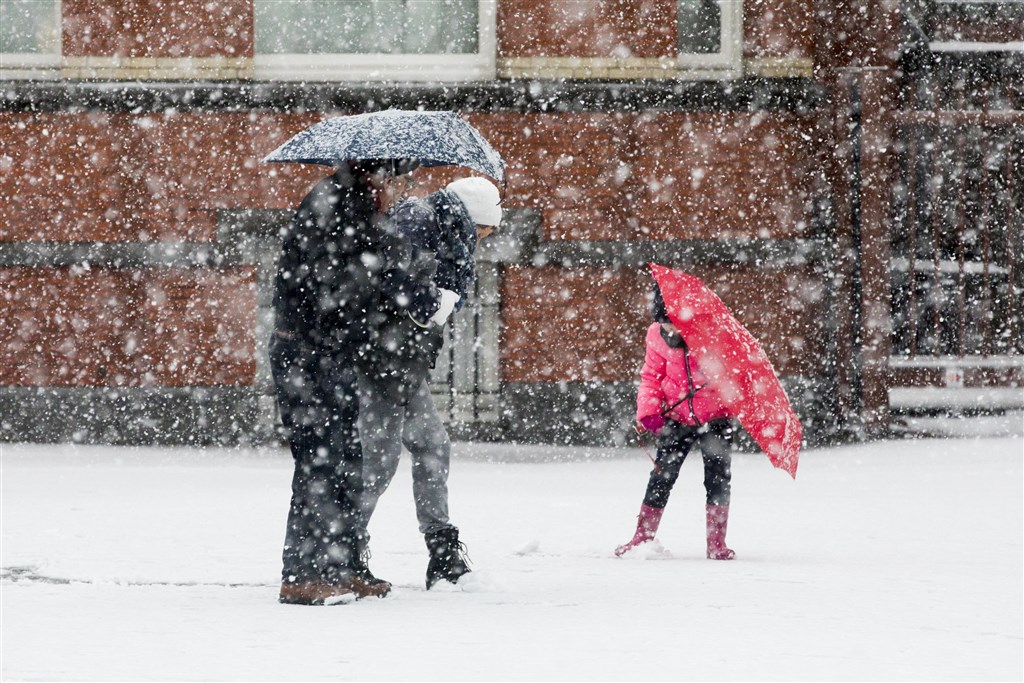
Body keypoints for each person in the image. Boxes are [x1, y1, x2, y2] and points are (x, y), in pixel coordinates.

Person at [271, 158, 451, 605]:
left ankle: (344, 564)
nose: (399, 187)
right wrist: (409, 291)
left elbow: (377, 270)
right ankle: (301, 575)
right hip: (305, 352)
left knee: (350, 459)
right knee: (319, 462)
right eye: (393, 178)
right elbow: (345, 280)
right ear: (372, 175)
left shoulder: (359, 212)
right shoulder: (332, 206)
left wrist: (417, 293)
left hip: (332, 352)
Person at [355, 176, 502, 589]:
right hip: (380, 360)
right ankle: (346, 545)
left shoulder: (443, 232)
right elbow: (390, 281)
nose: (484, 239)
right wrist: (430, 303)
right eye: (484, 230)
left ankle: (441, 550)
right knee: (378, 461)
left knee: (432, 446)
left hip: (403, 362)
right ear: (471, 220)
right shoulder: (418, 224)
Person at [615, 280, 739, 560]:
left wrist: (713, 379)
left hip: (715, 418)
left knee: (718, 479)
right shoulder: (655, 335)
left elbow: (733, 372)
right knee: (661, 477)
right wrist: (648, 411)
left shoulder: (713, 334)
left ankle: (716, 543)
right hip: (676, 415)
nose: (667, 329)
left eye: (672, 323)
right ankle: (642, 537)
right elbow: (651, 375)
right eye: (662, 323)